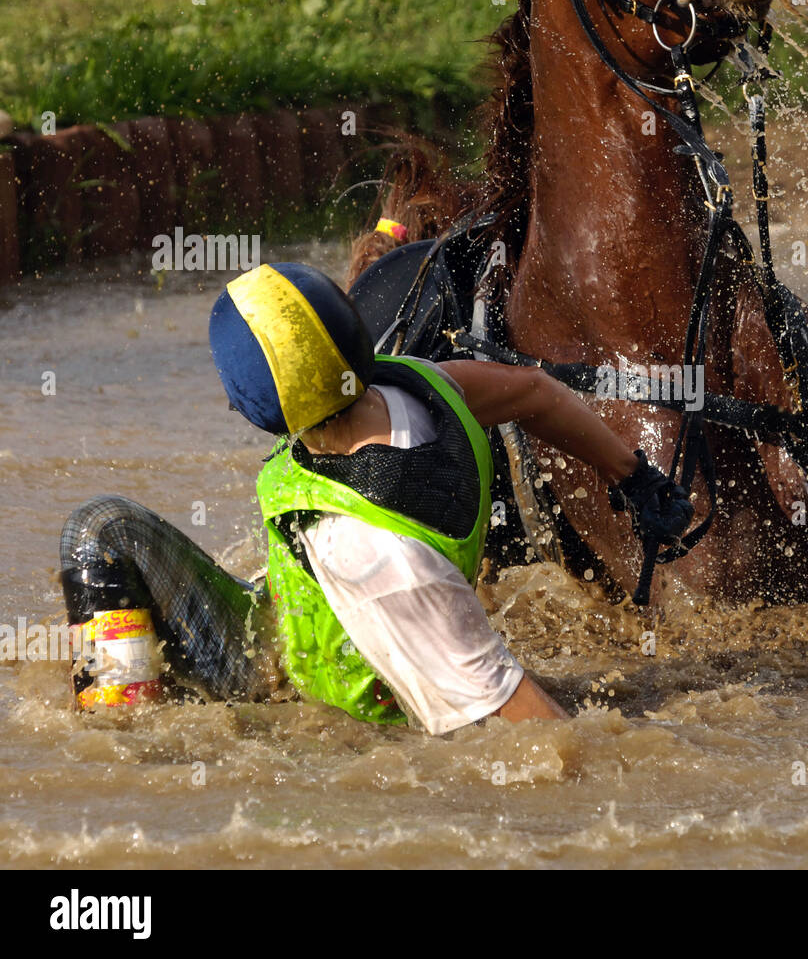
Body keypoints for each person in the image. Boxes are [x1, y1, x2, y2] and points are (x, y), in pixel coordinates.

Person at [60, 261, 691, 733]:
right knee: (116, 527)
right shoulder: (419, 386)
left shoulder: (363, 544)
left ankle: (125, 733)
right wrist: (633, 476)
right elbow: (534, 392)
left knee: (97, 531)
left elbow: (508, 705)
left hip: (308, 691)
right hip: (305, 615)